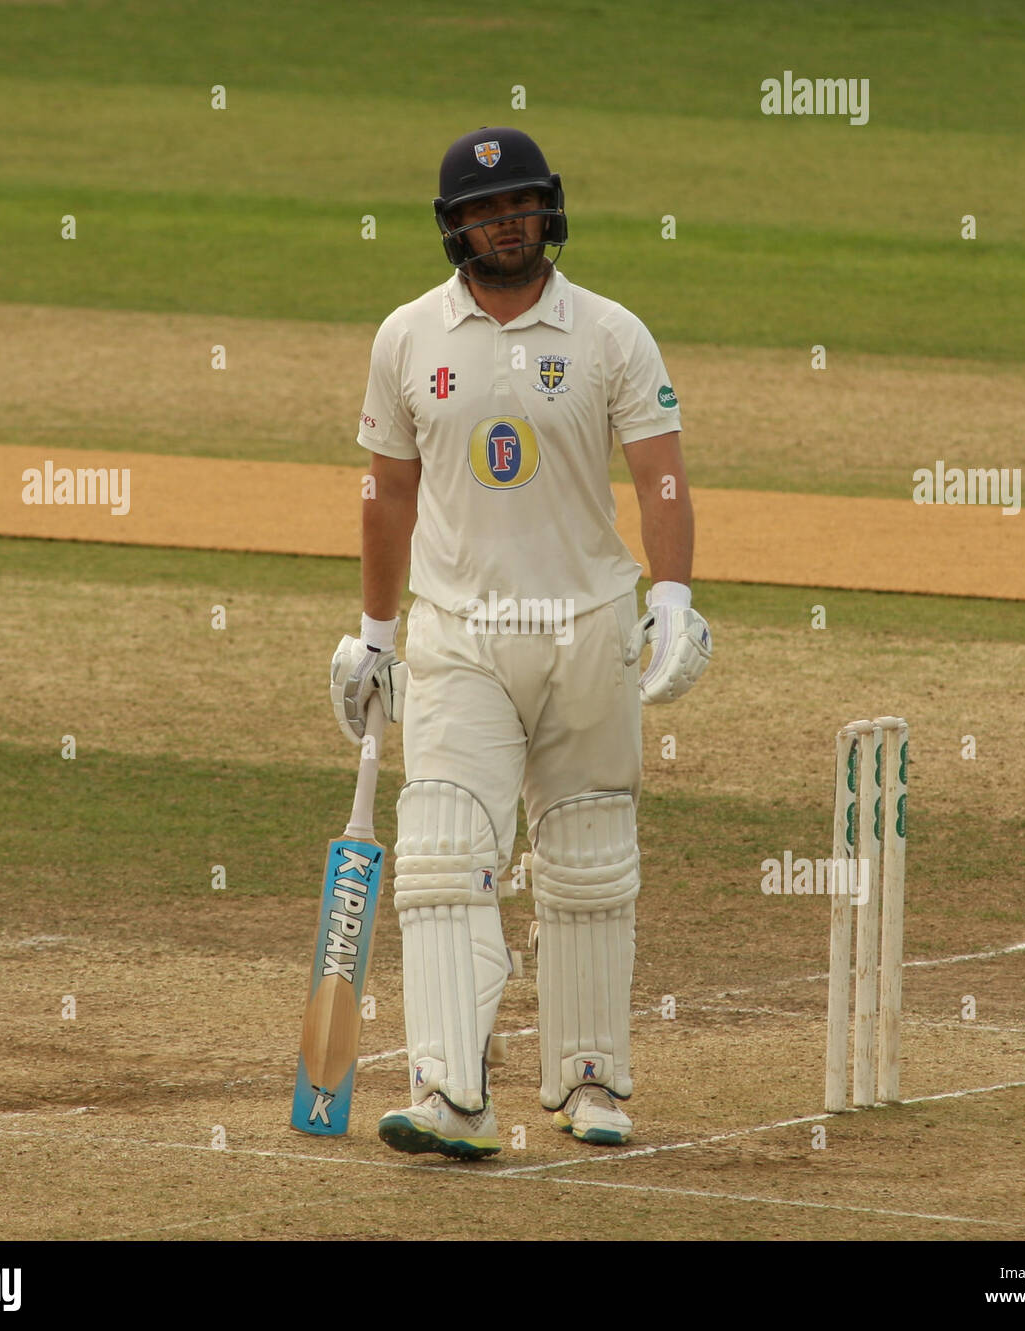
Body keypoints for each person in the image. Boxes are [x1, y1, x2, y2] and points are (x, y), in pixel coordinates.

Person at [330, 126, 711, 1160]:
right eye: (483, 212)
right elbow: (387, 493)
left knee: (586, 857)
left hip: (587, 625)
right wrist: (373, 633)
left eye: (520, 205)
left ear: (549, 208)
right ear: (454, 227)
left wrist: (669, 597)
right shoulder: (408, 335)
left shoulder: (611, 333)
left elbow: (660, 473)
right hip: (458, 633)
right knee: (446, 849)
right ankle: (452, 1091)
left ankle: (590, 1078)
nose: (505, 225)